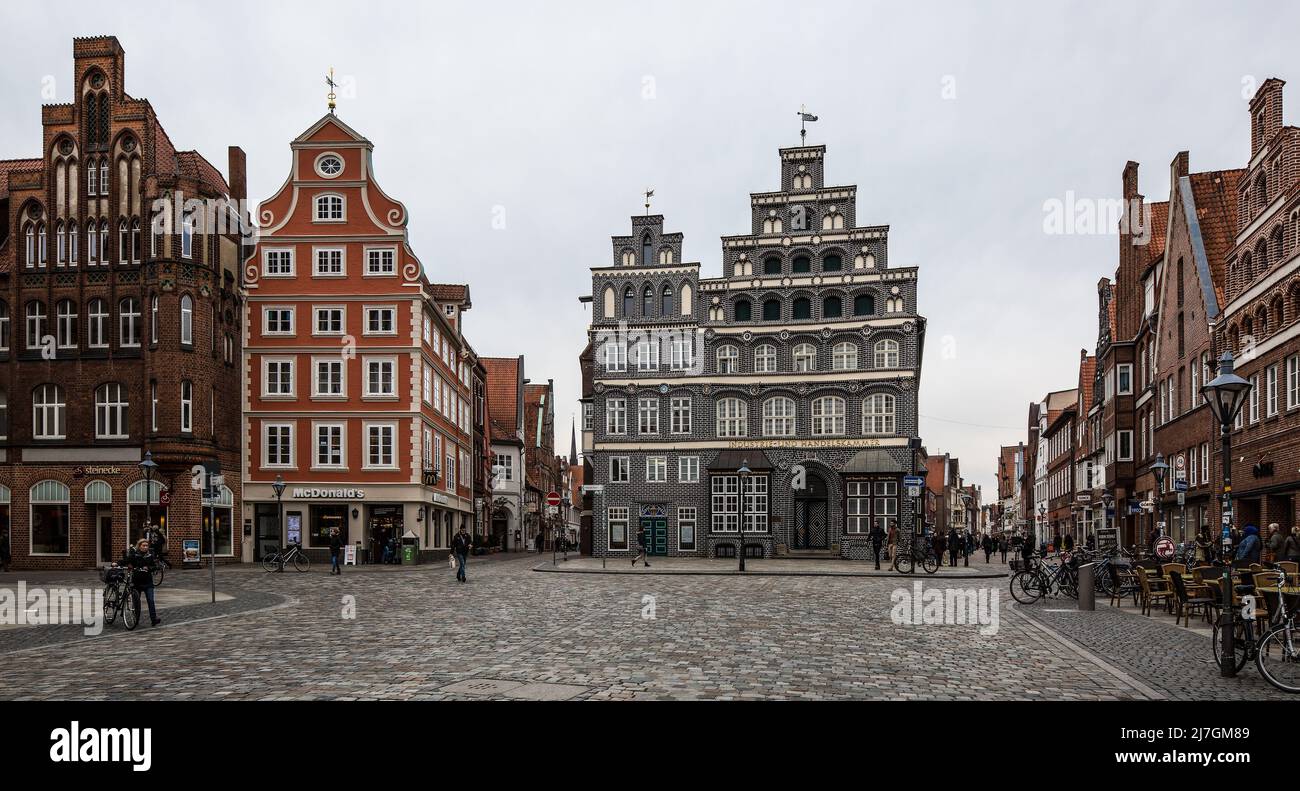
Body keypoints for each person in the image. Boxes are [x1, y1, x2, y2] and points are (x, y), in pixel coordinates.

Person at [126, 538, 161, 627]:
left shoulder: (150, 556)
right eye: (143, 545)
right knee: (136, 602)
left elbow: (155, 566)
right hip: (136, 582)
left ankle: (154, 619)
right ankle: (136, 619)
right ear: (139, 546)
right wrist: (117, 563)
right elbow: (126, 561)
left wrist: (148, 568)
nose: (145, 547)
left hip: (148, 582)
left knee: (151, 600)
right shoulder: (134, 555)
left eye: (147, 546)